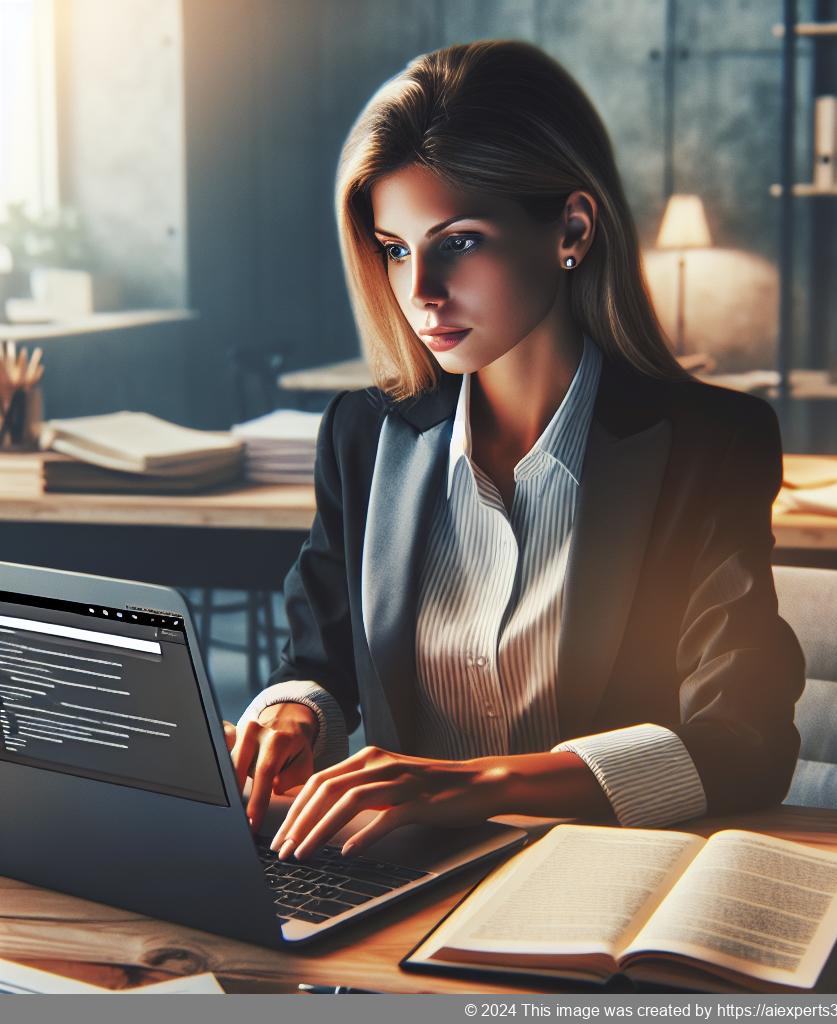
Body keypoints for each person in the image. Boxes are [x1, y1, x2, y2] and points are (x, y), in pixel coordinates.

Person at [226, 39, 805, 862]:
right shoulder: (365, 434)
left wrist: (474, 786)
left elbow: (745, 741)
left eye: (458, 241)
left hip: (599, 897)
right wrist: (294, 712)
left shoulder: (709, 445)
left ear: (571, 227)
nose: (420, 290)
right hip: (392, 893)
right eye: (395, 248)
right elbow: (321, 660)